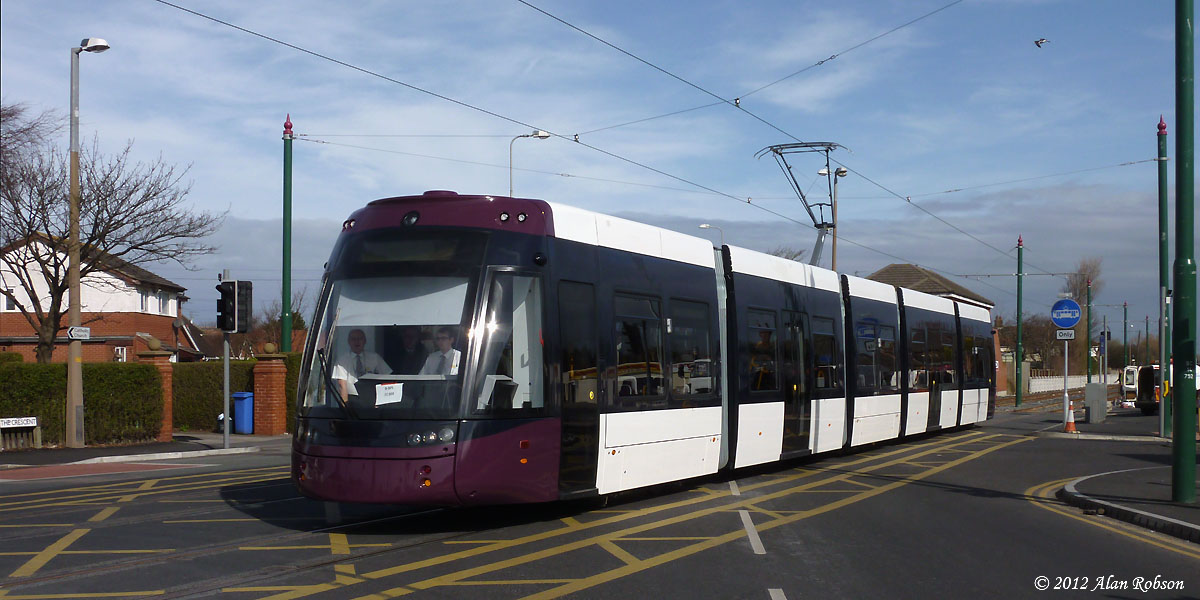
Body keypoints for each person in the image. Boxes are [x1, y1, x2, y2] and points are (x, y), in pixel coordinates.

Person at [332, 328, 392, 398]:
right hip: (352, 397)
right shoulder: (342, 361)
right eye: (353, 339)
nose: (357, 341)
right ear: (349, 341)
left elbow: (388, 377)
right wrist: (345, 404)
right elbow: (342, 386)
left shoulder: (374, 358)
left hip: (372, 396)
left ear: (365, 341)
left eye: (360, 338)